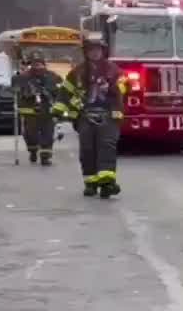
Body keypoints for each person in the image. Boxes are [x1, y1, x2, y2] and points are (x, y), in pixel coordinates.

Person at [53, 31, 126, 198]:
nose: (94, 52)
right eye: (91, 49)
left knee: (107, 147)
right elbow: (66, 91)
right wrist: (58, 108)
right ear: (85, 52)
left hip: (109, 114)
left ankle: (107, 182)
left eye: (97, 49)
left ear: (103, 51)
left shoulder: (114, 70)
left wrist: (111, 87)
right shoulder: (77, 72)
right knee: (87, 150)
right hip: (84, 116)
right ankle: (91, 183)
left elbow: (124, 88)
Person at [14, 50, 60, 166]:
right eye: (34, 64)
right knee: (30, 134)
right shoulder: (23, 77)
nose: (37, 66)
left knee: (48, 135)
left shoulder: (53, 76)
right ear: (31, 64)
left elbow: (60, 92)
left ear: (44, 64)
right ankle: (33, 150)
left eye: (39, 63)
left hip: (48, 111)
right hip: (30, 111)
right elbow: (16, 90)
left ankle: (45, 157)